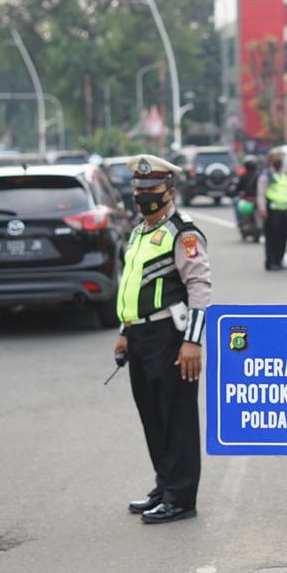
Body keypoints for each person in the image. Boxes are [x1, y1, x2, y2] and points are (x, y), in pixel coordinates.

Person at [114, 155, 212, 524]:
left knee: (178, 418)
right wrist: (124, 332)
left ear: (170, 191)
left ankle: (182, 497)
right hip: (140, 335)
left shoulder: (183, 233)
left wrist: (193, 342)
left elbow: (199, 288)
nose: (143, 197)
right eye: (139, 191)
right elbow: (132, 285)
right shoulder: (139, 231)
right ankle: (165, 485)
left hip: (172, 337)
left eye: (152, 190)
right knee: (152, 416)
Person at [257, 149, 287, 271]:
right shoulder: (266, 176)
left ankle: (279, 259)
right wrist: (262, 209)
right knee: (272, 238)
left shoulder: (285, 176)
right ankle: (271, 262)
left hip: (285, 210)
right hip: (272, 211)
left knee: (283, 237)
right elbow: (261, 194)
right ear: (271, 162)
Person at [232, 154, 261, 226]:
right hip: (252, 198)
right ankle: (240, 221)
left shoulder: (244, 176)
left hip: (250, 198)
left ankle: (240, 221)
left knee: (235, 201)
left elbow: (237, 188)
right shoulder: (259, 176)